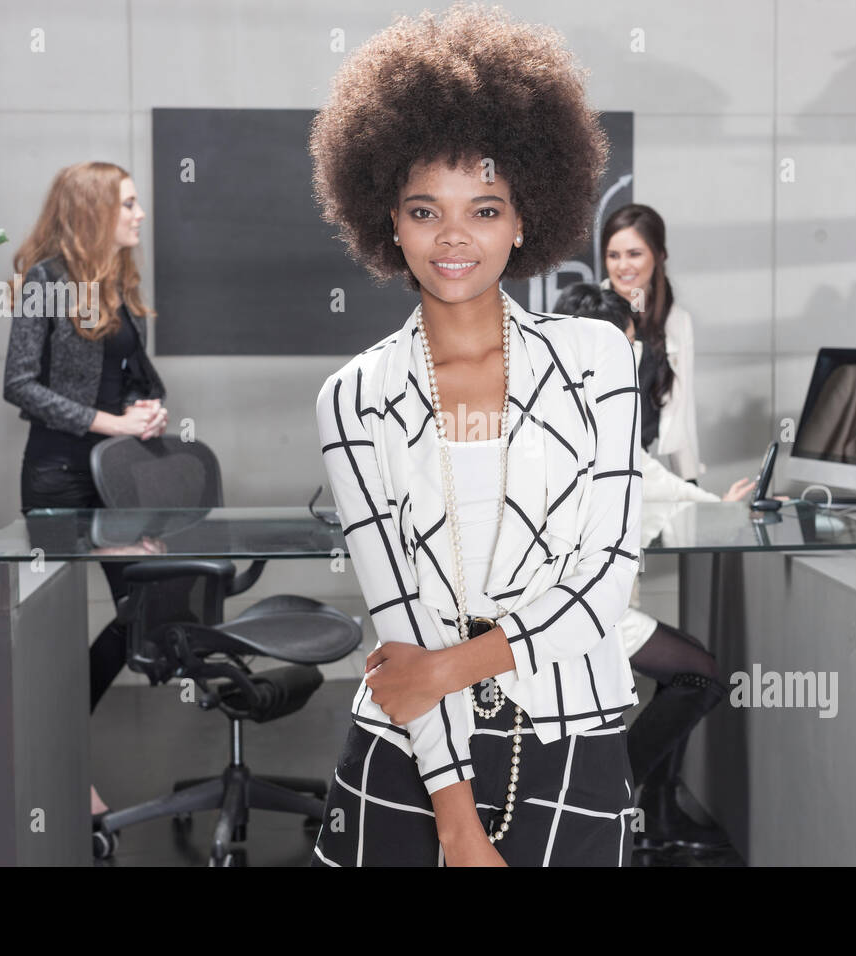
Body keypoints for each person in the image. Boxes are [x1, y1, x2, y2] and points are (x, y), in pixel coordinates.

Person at [307, 3, 642, 867]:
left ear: (525, 217)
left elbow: (605, 583)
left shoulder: (597, 358)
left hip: (570, 732)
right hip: (411, 756)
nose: (454, 236)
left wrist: (450, 668)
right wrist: (455, 823)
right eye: (425, 211)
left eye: (485, 209)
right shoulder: (354, 398)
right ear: (388, 221)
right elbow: (399, 621)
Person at [554, 283, 753, 854]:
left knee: (689, 672)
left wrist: (718, 506)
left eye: (634, 347)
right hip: (574, 611)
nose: (633, 360)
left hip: (599, 604)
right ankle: (613, 802)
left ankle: (655, 816)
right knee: (702, 675)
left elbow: (646, 477)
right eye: (624, 347)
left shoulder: (599, 411)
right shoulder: (568, 419)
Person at [1, 161, 169, 827]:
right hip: (59, 478)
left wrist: (147, 408)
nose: (139, 213)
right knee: (53, 633)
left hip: (116, 476)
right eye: (128, 203)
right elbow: (19, 384)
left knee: (146, 606)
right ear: (94, 210)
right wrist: (113, 421)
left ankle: (65, 745)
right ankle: (64, 770)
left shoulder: (120, 284)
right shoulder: (44, 281)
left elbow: (127, 376)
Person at [601, 204, 701, 482]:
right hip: (594, 472)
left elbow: (683, 409)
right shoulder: (590, 314)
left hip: (642, 468)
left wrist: (689, 481)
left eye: (634, 254)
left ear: (659, 255)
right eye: (613, 255)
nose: (622, 266)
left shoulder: (678, 322)